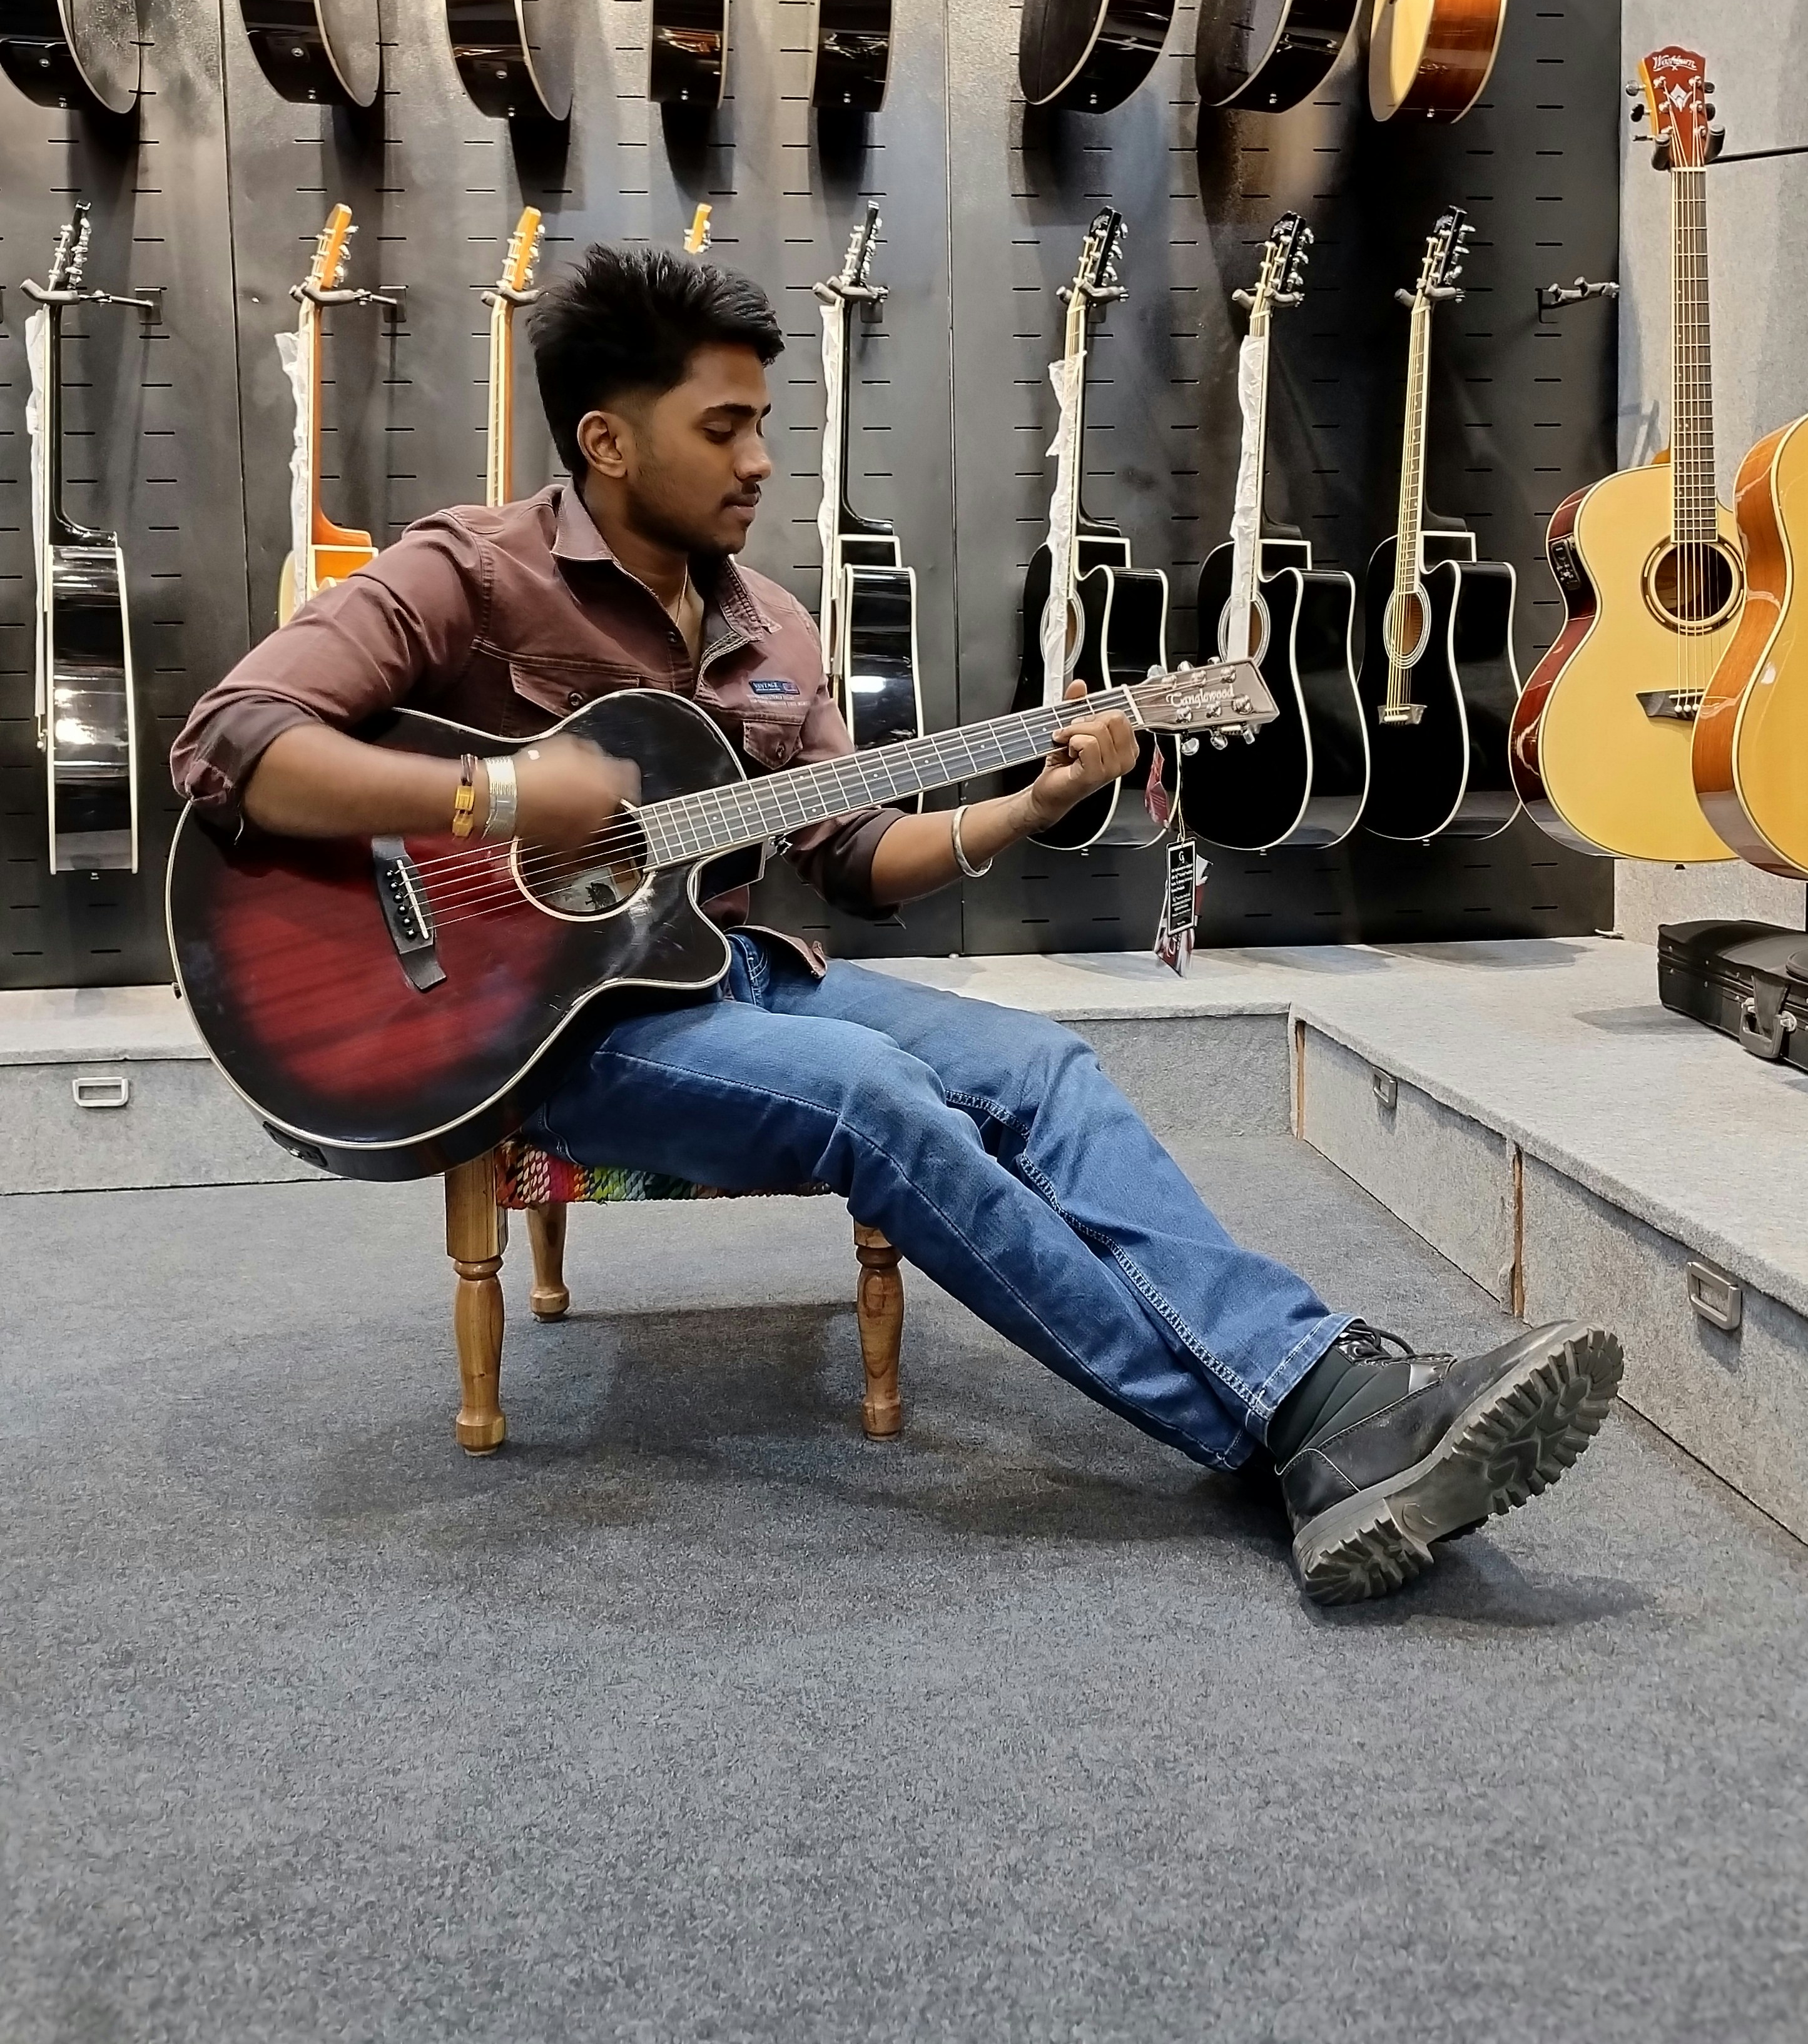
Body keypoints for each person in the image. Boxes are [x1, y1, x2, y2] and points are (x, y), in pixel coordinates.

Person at [172, 245, 1623, 1602]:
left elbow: (854, 855)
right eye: (724, 426)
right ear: (607, 441)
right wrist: (493, 795)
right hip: (535, 1034)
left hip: (721, 976)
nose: (759, 460)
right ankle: (1297, 1415)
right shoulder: (469, 573)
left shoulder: (775, 628)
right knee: (875, 1099)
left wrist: (1032, 805)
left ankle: (1310, 1391)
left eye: (763, 423)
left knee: (1043, 1064)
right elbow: (230, 739)